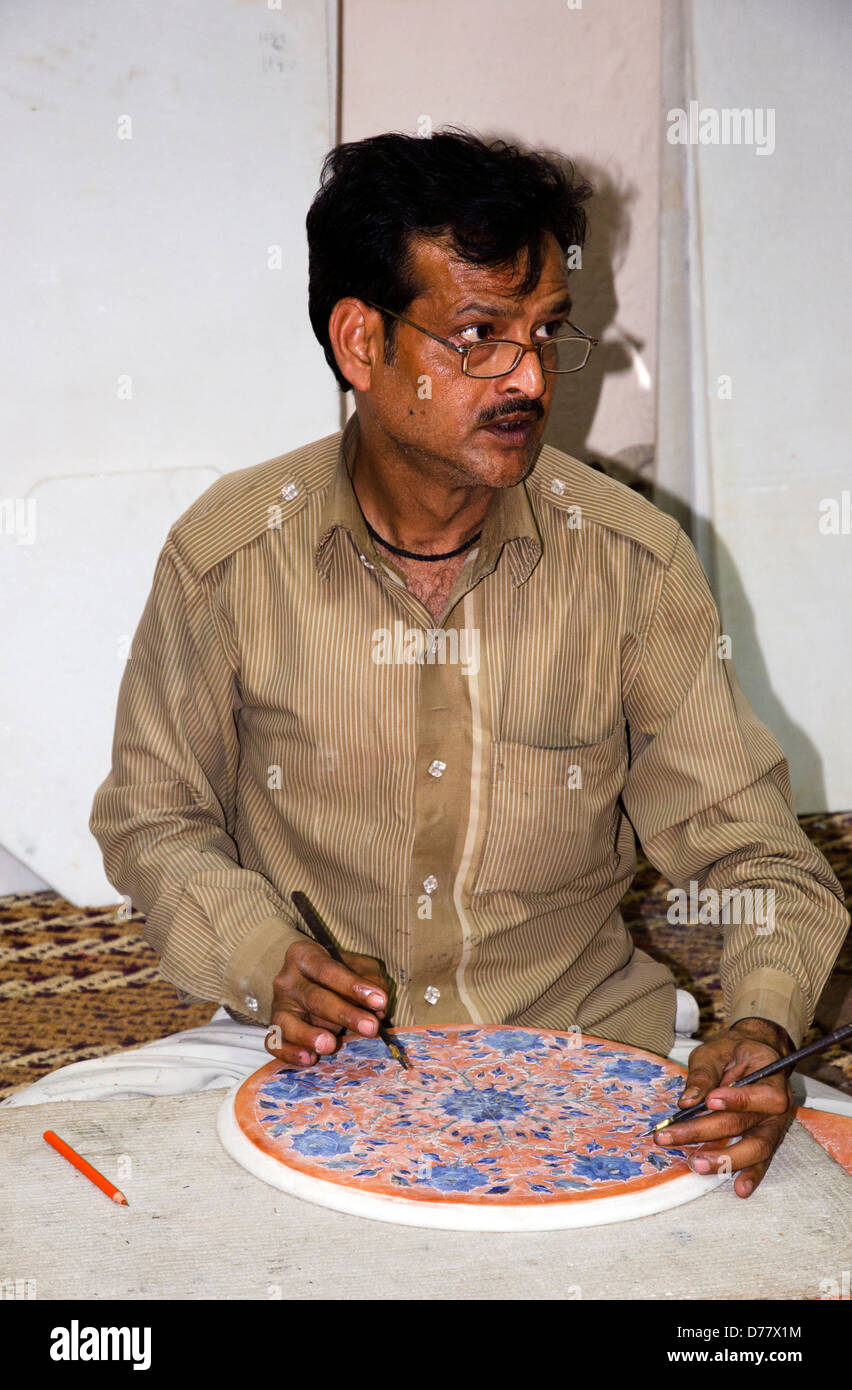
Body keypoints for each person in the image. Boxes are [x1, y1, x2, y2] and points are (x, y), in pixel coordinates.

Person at [85, 129, 847, 1197]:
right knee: (53, 1174)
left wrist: (760, 1020)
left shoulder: (631, 562)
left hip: (595, 1054)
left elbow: (756, 859)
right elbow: (153, 818)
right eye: (480, 335)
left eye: (544, 334)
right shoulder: (229, 556)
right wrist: (266, 958)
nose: (530, 378)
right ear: (361, 342)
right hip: (309, 1058)